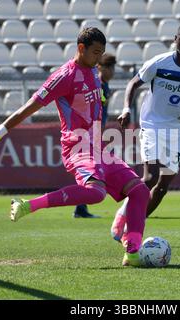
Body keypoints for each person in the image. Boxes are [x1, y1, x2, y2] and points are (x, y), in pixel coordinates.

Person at [0, 28, 149, 267]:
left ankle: (132, 252)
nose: (99, 58)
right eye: (95, 52)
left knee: (140, 191)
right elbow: (29, 107)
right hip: (77, 147)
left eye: (102, 53)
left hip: (98, 148)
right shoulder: (64, 76)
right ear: (81, 48)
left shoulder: (93, 73)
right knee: (96, 193)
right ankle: (28, 205)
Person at [110, 23, 180, 242]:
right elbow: (134, 83)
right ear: (175, 38)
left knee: (163, 186)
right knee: (150, 177)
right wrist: (127, 108)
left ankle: (133, 227)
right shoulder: (159, 63)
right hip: (152, 123)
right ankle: (124, 215)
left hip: (178, 129)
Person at [73, 53, 117, 219]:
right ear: (99, 67)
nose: (112, 71)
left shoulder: (104, 86)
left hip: (95, 133)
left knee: (89, 171)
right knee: (90, 171)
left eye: (113, 68)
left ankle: (81, 207)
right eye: (109, 67)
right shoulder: (98, 85)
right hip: (90, 134)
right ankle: (80, 207)